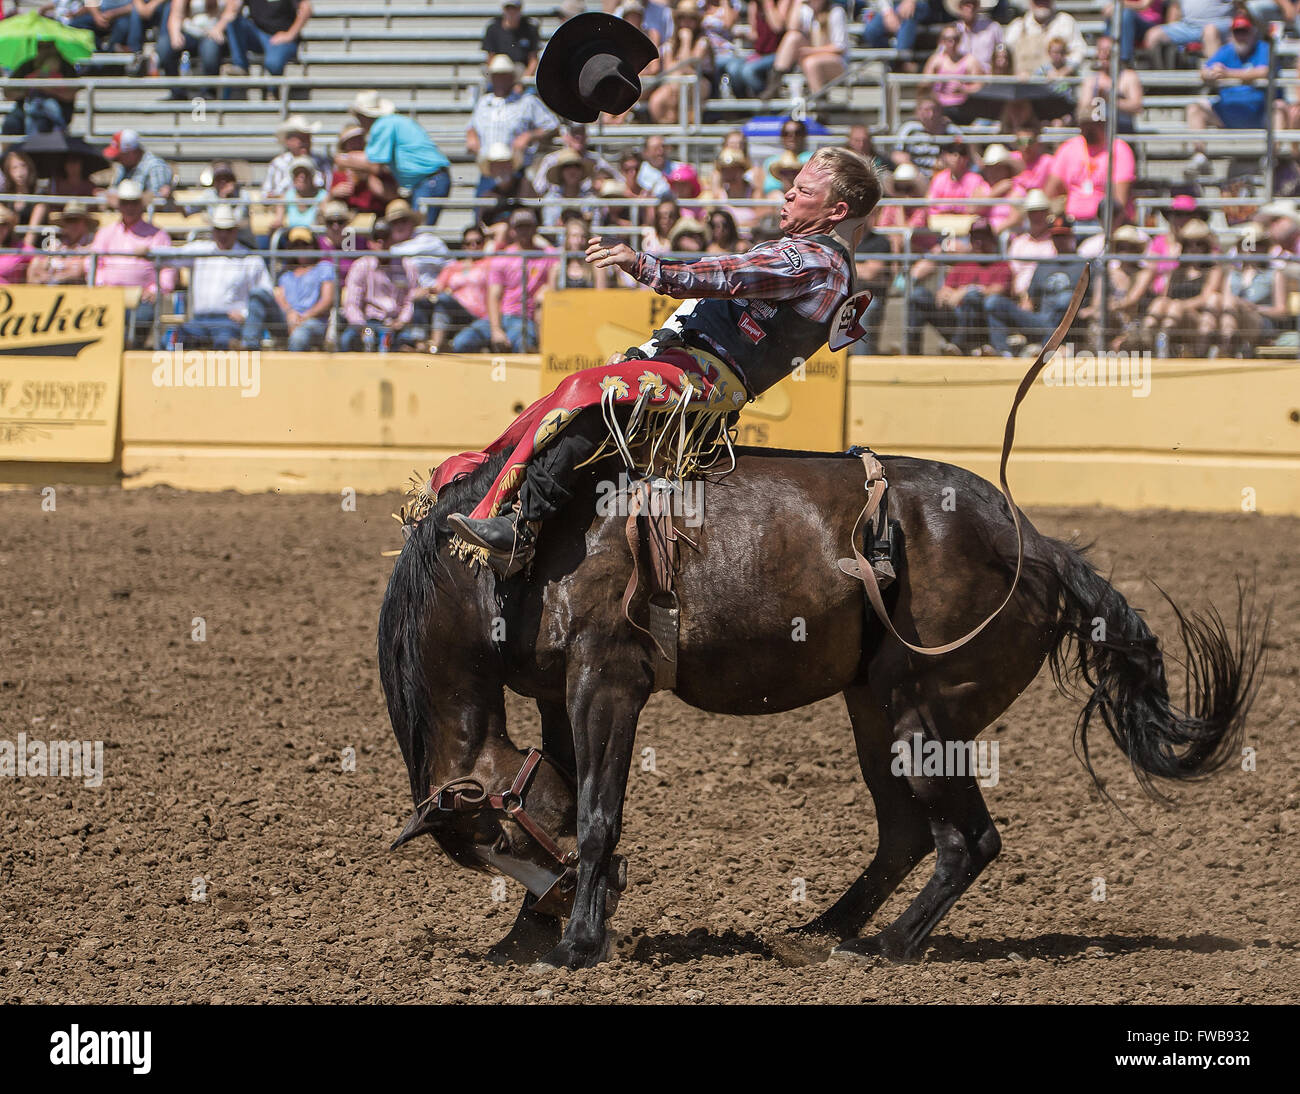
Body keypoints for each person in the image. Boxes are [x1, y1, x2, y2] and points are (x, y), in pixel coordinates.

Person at [446, 146, 881, 571]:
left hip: (711, 380)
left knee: (590, 393)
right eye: (793, 186)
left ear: (837, 211)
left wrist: (644, 264)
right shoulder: (813, 258)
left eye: (804, 191)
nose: (788, 193)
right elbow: (707, 302)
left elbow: (725, 276)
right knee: (581, 395)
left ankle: (524, 528)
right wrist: (649, 351)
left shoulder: (814, 260)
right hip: (697, 369)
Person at [166, 204, 275, 349]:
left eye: (228, 230)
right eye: (219, 230)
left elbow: (265, 291)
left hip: (228, 321)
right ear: (213, 230)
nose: (223, 235)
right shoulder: (201, 249)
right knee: (175, 341)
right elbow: (171, 256)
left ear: (235, 231)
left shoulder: (249, 258)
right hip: (199, 320)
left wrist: (245, 313)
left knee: (224, 342)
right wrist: (148, 251)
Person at [1186, 12, 1282, 177]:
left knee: (1279, 107)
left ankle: (1272, 157)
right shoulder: (1227, 50)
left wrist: (1229, 74)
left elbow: (1265, 70)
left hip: (1259, 113)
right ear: (1231, 34)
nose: (1241, 36)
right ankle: (1200, 156)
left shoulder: (1263, 48)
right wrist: (1208, 74)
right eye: (1237, 32)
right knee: (1195, 108)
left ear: (1253, 32)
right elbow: (1204, 70)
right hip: (1228, 113)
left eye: (1244, 31)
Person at [452, 208, 557, 354]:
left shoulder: (548, 255)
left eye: (527, 226)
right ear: (513, 230)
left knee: (523, 343)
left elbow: (556, 277)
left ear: (535, 229)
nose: (524, 231)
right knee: (461, 342)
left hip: (526, 318)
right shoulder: (502, 258)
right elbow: (494, 296)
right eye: (520, 227)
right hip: (501, 317)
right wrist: (496, 330)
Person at [340, 91, 453, 226]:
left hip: (428, 180)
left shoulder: (382, 125)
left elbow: (374, 164)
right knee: (418, 229)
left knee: (420, 231)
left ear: (363, 116)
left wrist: (344, 160)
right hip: (429, 180)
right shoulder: (394, 121)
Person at [90, 179, 178, 347]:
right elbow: (93, 263)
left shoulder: (157, 235)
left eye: (133, 203)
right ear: (120, 206)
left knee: (139, 320)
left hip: (142, 296)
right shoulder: (105, 233)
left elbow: (167, 268)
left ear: (140, 205)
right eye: (125, 203)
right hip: (109, 294)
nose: (129, 208)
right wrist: (100, 286)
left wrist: (156, 289)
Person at [908, 217, 1011, 354]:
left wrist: (965, 290)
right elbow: (944, 291)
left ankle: (960, 345)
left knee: (972, 297)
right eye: (975, 238)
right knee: (919, 295)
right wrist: (946, 295)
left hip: (979, 323)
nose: (979, 243)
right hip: (955, 316)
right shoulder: (963, 264)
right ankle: (911, 352)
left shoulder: (1000, 264)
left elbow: (999, 290)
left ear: (992, 240)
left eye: (983, 238)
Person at [985, 214, 1079, 356]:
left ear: (1072, 236)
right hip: (1040, 320)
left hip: (1069, 325)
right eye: (1056, 236)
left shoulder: (1085, 265)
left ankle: (1046, 347)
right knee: (993, 302)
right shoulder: (1043, 265)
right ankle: (1003, 353)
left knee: (1066, 299)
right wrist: (1026, 301)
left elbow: (1092, 301)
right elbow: (1030, 298)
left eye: (1063, 236)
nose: (1060, 241)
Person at [467, 56, 559, 187]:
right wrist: (471, 134)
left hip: (517, 168)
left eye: (504, 75)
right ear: (491, 78)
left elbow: (552, 125)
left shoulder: (527, 101)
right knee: (484, 204)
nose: (500, 80)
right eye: (497, 75)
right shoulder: (483, 102)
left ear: (512, 77)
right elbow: (472, 125)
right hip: (489, 168)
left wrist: (529, 135)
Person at [1140, 218, 1224, 357]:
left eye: (1199, 244)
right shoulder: (1176, 271)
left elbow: (1206, 298)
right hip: (1172, 313)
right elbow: (1165, 297)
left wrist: (1180, 305)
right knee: (1159, 303)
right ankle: (1148, 340)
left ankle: (1162, 344)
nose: (1194, 248)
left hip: (1198, 319)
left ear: (1206, 247)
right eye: (1189, 244)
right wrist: (1173, 305)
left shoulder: (1213, 271)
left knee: (1173, 309)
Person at [340, 219, 422, 352]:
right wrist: (362, 328)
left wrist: (401, 321)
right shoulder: (361, 266)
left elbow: (410, 300)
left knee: (409, 345)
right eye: (377, 239)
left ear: (393, 240)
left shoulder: (407, 266)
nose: (381, 243)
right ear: (370, 242)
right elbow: (352, 303)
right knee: (347, 340)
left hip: (398, 323)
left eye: (386, 238)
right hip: (369, 321)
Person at [1045, 106, 1136, 226]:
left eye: (1095, 124)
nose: (1090, 129)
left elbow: (1119, 200)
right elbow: (1051, 190)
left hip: (1104, 223)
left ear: (1104, 124)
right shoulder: (1068, 148)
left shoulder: (1119, 149)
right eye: (1085, 124)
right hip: (1072, 221)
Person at [648, 2, 716, 124]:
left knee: (682, 85)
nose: (686, 22)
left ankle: (680, 123)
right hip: (675, 83)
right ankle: (667, 129)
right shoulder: (671, 44)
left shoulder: (702, 42)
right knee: (656, 101)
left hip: (699, 81)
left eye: (691, 18)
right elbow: (669, 69)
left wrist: (686, 41)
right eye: (682, 18)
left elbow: (690, 64)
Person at [428, 224, 491, 353]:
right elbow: (436, 289)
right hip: (455, 312)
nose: (474, 246)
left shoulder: (490, 265)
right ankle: (432, 345)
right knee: (438, 301)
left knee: (444, 300)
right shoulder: (452, 267)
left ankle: (435, 346)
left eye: (478, 242)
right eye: (469, 243)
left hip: (478, 315)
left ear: (484, 243)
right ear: (463, 246)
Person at [223, 0, 313, 88]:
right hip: (258, 34)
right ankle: (240, 65)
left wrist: (290, 35)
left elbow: (306, 8)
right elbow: (233, 8)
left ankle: (273, 91)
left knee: (273, 63)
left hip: (282, 39)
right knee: (232, 19)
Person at [273, 226, 335, 351]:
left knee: (298, 336)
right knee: (259, 294)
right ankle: (248, 348)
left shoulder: (324, 268)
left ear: (313, 246)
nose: (301, 249)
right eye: (296, 245)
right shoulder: (285, 274)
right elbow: (280, 297)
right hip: (288, 319)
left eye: (305, 244)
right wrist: (290, 314)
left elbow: (327, 300)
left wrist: (305, 317)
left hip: (314, 321)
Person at [767, 0, 847, 95]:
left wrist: (812, 51)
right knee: (793, 37)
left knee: (811, 63)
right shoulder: (807, 11)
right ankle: (775, 82)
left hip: (835, 61)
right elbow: (791, 28)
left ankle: (820, 99)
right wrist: (797, 3)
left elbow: (839, 47)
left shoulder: (836, 12)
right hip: (810, 56)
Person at [3, 40, 79, 136]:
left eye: (48, 47)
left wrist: (46, 88)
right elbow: (8, 93)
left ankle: (40, 146)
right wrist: (29, 87)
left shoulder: (66, 67)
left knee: (43, 118)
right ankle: (10, 151)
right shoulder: (27, 66)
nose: (45, 51)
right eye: (41, 47)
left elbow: (70, 95)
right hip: (26, 105)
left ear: (55, 47)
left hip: (57, 108)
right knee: (11, 123)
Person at [720, 0, 793, 98]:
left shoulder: (781, 2)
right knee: (733, 69)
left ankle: (766, 100)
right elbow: (755, 34)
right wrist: (742, 34)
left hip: (778, 55)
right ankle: (744, 105)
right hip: (759, 54)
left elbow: (778, 27)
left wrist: (768, 4)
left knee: (748, 71)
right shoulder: (754, 5)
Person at [158, 0, 227, 98]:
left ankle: (208, 93)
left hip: (213, 33)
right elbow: (176, 15)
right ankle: (177, 92)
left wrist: (219, 28)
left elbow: (231, 11)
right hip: (189, 31)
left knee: (210, 51)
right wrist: (175, 34)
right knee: (164, 47)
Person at [1077, 35, 1144, 135]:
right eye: (1101, 50)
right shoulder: (1091, 80)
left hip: (1123, 132)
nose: (1105, 54)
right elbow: (1082, 110)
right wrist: (1096, 100)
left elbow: (1137, 106)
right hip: (1098, 134)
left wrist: (1111, 100)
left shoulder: (1128, 77)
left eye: (1109, 50)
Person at [923, 23, 986, 124]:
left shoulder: (969, 60)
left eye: (955, 38)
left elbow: (980, 85)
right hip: (939, 106)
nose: (951, 42)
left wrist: (964, 89)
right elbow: (924, 85)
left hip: (962, 106)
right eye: (947, 39)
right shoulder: (935, 60)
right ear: (941, 41)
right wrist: (935, 81)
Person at [1004, 0, 1086, 77]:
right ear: (1030, 2)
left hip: (1055, 87)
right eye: (1038, 1)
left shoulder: (1065, 22)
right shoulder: (1017, 26)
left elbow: (1079, 52)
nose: (1042, 3)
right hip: (1023, 86)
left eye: (1045, 0)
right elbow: (1005, 55)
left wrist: (1063, 72)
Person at [27, 201, 96, 286]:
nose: (72, 225)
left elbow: (79, 270)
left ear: (85, 223)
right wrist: (44, 274)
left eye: (75, 220)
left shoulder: (92, 243)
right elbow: (40, 264)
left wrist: (55, 275)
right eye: (68, 220)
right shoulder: (56, 243)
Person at [262, 115, 329, 201]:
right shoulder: (278, 164)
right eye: (299, 138)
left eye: (306, 137)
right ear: (288, 141)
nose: (304, 142)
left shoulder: (322, 163)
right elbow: (266, 195)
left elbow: (328, 191)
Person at [893, 96, 961, 175]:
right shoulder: (909, 128)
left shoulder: (951, 130)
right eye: (925, 110)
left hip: (945, 173)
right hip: (917, 175)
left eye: (933, 110)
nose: (930, 114)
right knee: (904, 171)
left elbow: (960, 153)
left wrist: (950, 159)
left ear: (940, 111)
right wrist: (913, 169)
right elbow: (897, 155)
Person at [106, 129, 175, 204]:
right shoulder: (122, 166)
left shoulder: (155, 166)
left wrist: (120, 201)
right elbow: (113, 191)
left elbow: (158, 200)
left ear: (132, 152)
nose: (117, 160)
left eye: (119, 156)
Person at [1144, 0, 1233, 56]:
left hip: (1218, 25)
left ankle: (1214, 74)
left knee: (1209, 31)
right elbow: (1175, 8)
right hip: (1188, 27)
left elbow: (1240, 7)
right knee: (1153, 35)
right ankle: (1159, 79)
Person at [2, 150, 49, 250]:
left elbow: (31, 235)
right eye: (14, 168)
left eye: (23, 166)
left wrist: (19, 254)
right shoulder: (5, 198)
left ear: (29, 167)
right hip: (10, 248)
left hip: (31, 249)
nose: (20, 172)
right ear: (8, 171)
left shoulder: (39, 197)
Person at [482, 1, 542, 78]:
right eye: (508, 9)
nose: (511, 12)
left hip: (522, 73)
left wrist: (522, 82)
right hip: (499, 74)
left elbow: (533, 59)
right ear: (504, 10)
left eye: (514, 9)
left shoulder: (530, 29)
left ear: (520, 9)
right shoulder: (493, 29)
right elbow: (490, 58)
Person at [860, 0, 932, 61]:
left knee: (902, 49)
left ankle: (901, 62)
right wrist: (887, 12)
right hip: (893, 6)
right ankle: (890, 62)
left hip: (918, 4)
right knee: (872, 31)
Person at [270, 156, 327, 232]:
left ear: (312, 176)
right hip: (292, 240)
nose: (301, 177)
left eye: (305, 173)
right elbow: (278, 219)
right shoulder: (286, 196)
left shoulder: (323, 196)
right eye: (297, 174)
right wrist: (278, 224)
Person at [762, 118, 812, 194]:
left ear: (804, 135)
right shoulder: (770, 161)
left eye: (797, 133)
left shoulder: (812, 158)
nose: (792, 136)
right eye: (786, 133)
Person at [952, 0, 1003, 72]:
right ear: (960, 7)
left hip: (986, 76)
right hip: (959, 77)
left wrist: (1000, 54)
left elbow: (1001, 47)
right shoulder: (952, 30)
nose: (971, 6)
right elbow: (942, 55)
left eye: (974, 3)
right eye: (967, 3)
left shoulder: (992, 28)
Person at [0, 206, 34, 285]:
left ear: (9, 227)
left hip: (8, 294)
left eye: (3, 224)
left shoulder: (20, 248)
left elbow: (39, 258)